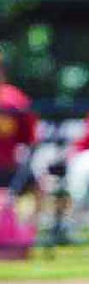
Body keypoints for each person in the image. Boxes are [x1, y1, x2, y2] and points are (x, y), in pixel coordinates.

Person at [0, 80, 43, 232]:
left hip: (9, 166)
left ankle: (23, 234)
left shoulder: (13, 98)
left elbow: (32, 138)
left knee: (36, 189)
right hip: (9, 167)